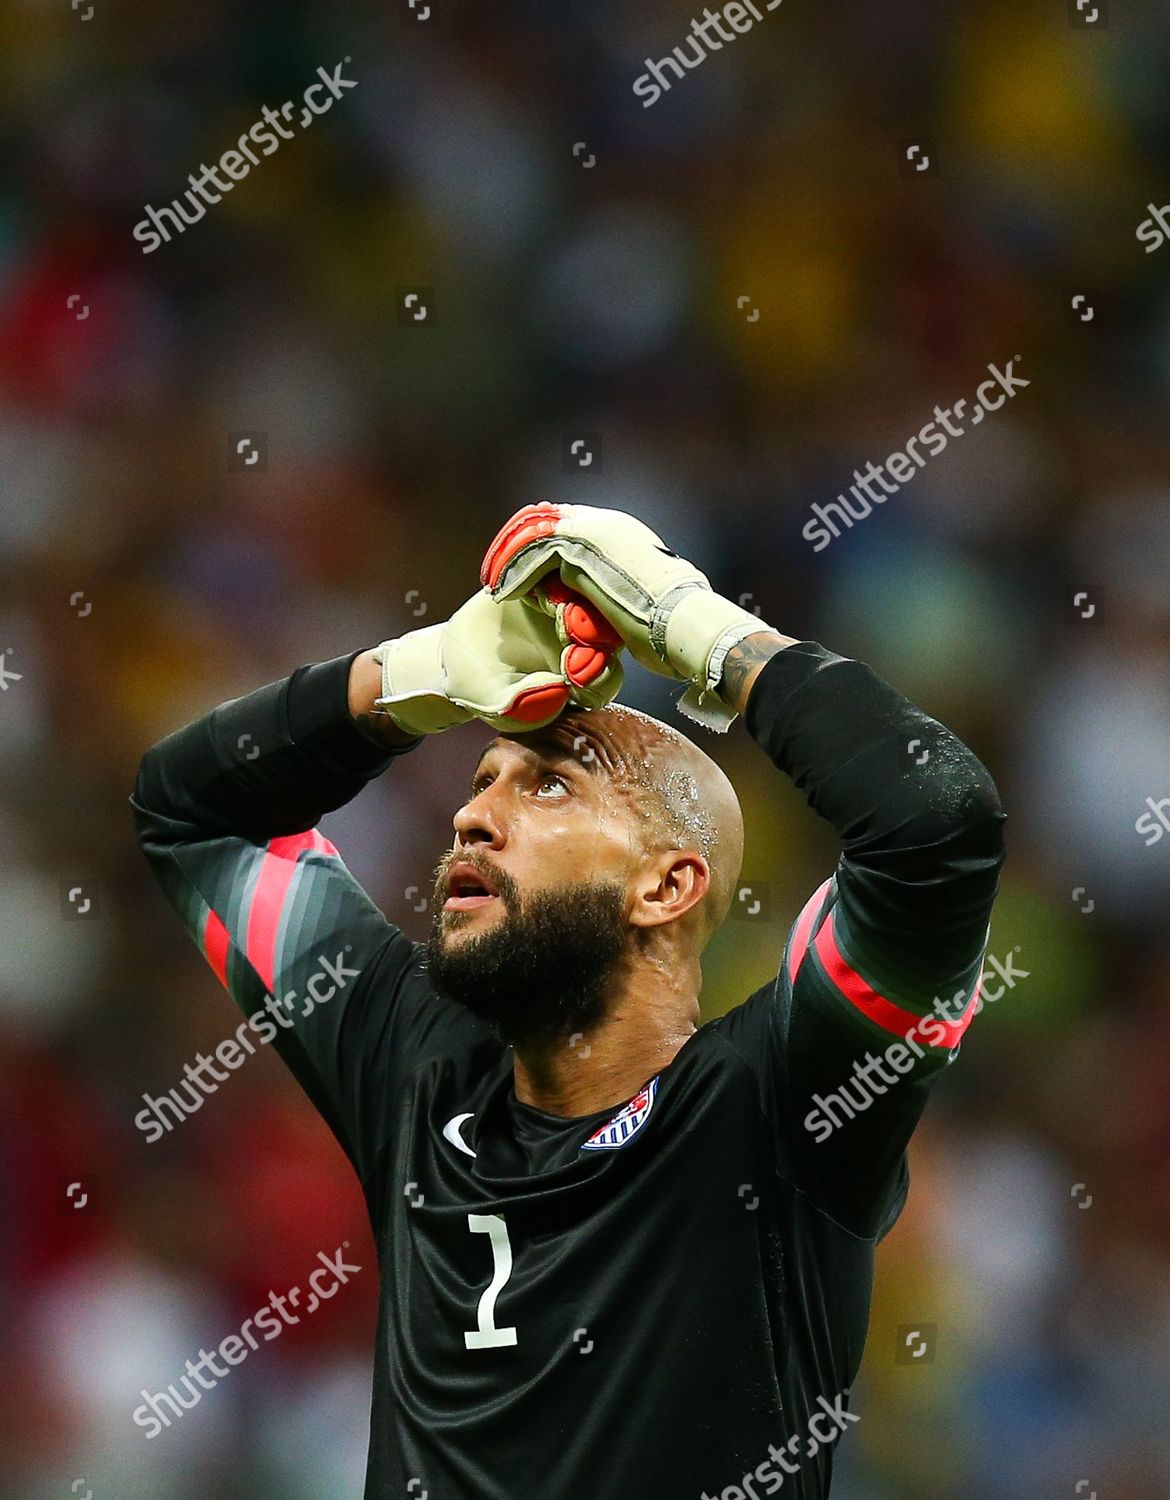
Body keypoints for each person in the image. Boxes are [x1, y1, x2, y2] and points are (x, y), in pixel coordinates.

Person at [132, 503, 1005, 1500]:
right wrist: (417, 681)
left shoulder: (780, 1108)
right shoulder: (417, 1066)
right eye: (480, 777)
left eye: (546, 788)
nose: (472, 815)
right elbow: (192, 810)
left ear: (667, 887)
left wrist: (698, 631)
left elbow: (935, 822)